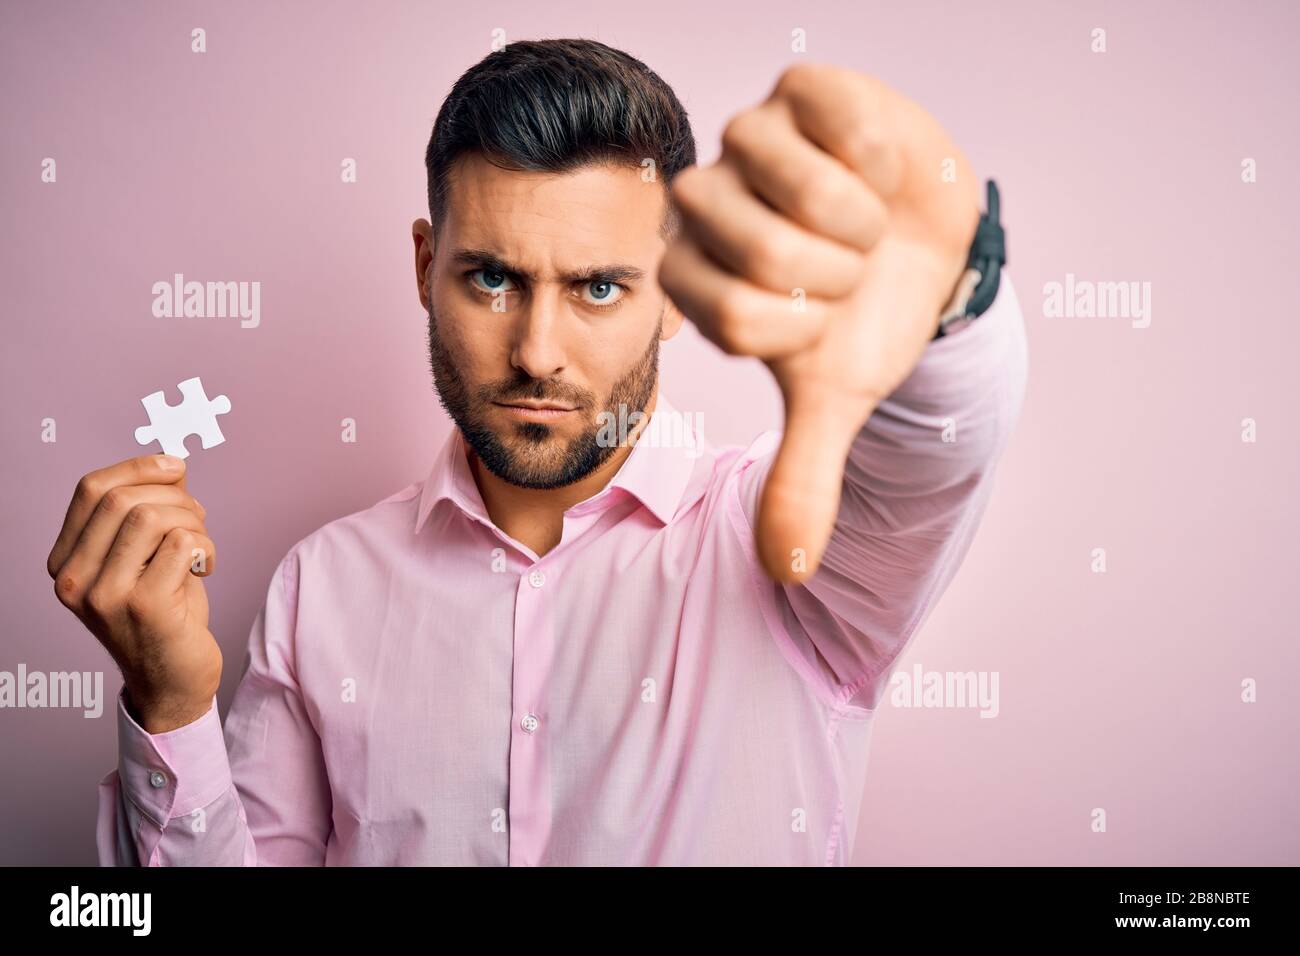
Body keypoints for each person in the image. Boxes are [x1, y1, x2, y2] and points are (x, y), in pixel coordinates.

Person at [48, 38, 1027, 865]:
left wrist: (953, 295)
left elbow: (924, 462)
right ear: (426, 267)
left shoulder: (790, 555)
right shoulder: (322, 589)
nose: (536, 352)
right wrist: (172, 705)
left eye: (598, 286)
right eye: (490, 279)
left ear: (675, 289)